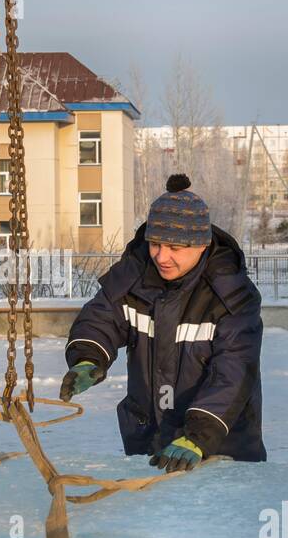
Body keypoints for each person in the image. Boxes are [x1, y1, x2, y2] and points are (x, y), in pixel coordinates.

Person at [59, 174, 266, 471]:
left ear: (202, 245)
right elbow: (101, 317)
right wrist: (87, 357)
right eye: (155, 244)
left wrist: (198, 435)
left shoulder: (232, 295)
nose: (162, 256)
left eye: (175, 248)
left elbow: (234, 371)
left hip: (220, 448)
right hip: (148, 440)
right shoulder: (132, 278)